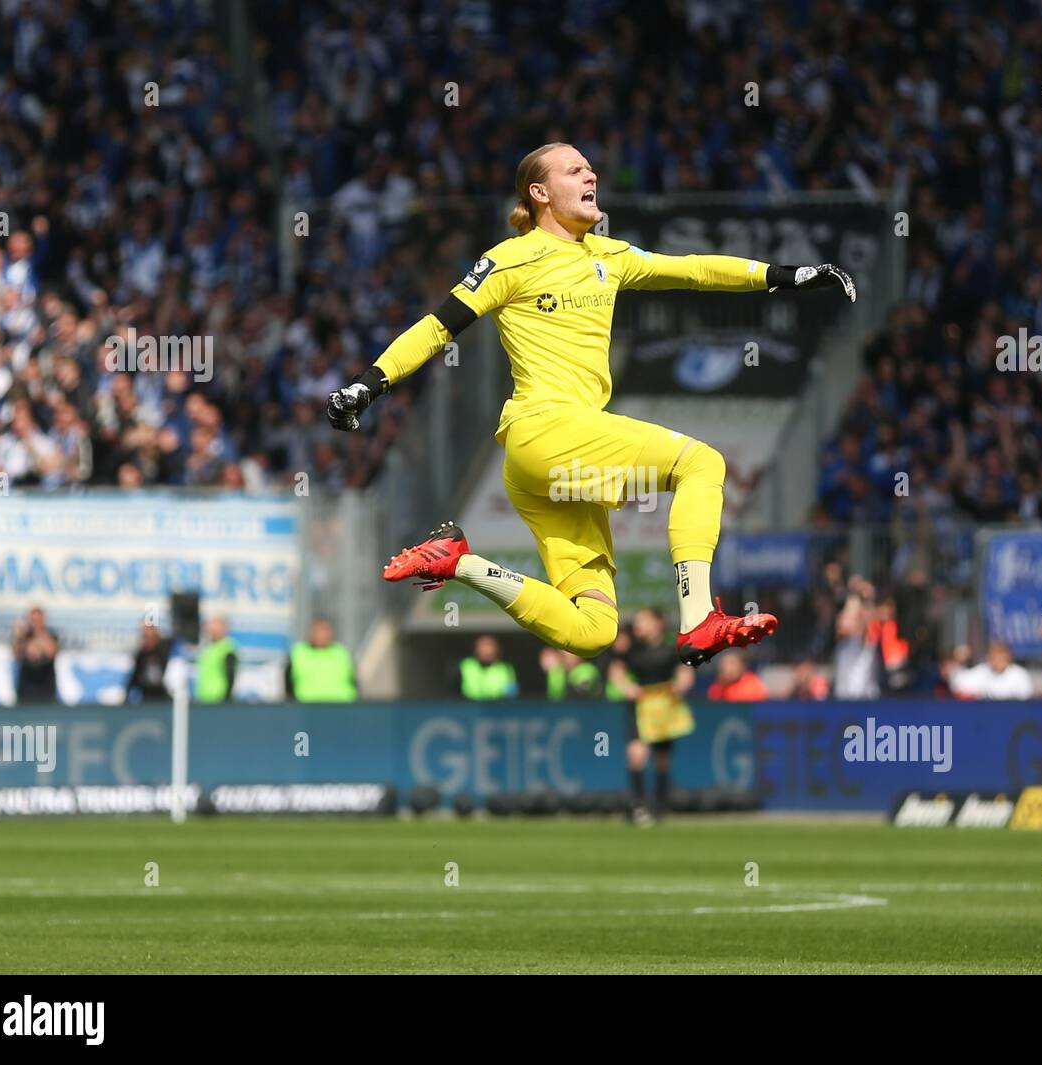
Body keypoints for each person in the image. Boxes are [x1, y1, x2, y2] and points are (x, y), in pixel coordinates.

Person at [326, 143, 856, 668]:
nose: (591, 174)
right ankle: (697, 617)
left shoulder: (610, 255)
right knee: (702, 463)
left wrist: (783, 276)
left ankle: (461, 563)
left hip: (541, 468)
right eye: (574, 169)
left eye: (590, 166)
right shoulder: (509, 259)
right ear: (539, 192)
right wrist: (368, 384)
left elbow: (694, 269)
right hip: (546, 430)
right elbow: (439, 327)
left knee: (593, 631)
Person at [608, 608, 695, 824]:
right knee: (636, 752)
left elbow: (685, 672)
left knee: (662, 757)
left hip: (665, 705)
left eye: (644, 620)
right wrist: (627, 688)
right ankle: (638, 803)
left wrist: (680, 686)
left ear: (658, 623)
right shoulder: (630, 649)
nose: (639, 625)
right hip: (640, 705)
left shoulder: (671, 649)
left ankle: (661, 803)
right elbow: (616, 671)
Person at [285, 618, 358, 702]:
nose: (322, 635)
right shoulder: (298, 653)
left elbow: (354, 681)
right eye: (319, 631)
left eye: (325, 630)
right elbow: (288, 684)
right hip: (307, 708)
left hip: (341, 707)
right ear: (311, 633)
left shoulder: (341, 652)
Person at [949, 640, 1034, 700]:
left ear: (1009, 657)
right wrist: (959, 662)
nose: (997, 660)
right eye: (993, 657)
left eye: (1001, 656)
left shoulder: (1020, 675)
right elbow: (958, 684)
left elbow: (1025, 697)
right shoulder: (982, 671)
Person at [13, 606, 59, 704]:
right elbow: (16, 655)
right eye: (33, 620)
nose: (35, 623)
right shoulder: (23, 637)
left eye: (38, 620)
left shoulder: (51, 635)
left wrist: (37, 633)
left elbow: (51, 652)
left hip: (46, 690)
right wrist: (20, 637)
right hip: (26, 690)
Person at [458, 635, 519, 700]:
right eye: (483, 645)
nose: (486, 649)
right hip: (468, 706)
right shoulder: (466, 665)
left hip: (498, 706)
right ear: (476, 648)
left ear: (497, 648)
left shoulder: (506, 668)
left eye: (490, 645)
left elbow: (512, 694)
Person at [195, 616, 238, 704]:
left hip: (218, 700)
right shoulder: (208, 648)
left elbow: (231, 675)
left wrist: (227, 698)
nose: (211, 629)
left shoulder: (228, 648)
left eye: (215, 626)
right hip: (203, 698)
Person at [125, 622, 171, 704]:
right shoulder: (141, 655)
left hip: (163, 697)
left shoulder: (164, 650)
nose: (148, 639)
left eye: (150, 635)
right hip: (146, 698)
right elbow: (135, 677)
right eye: (145, 636)